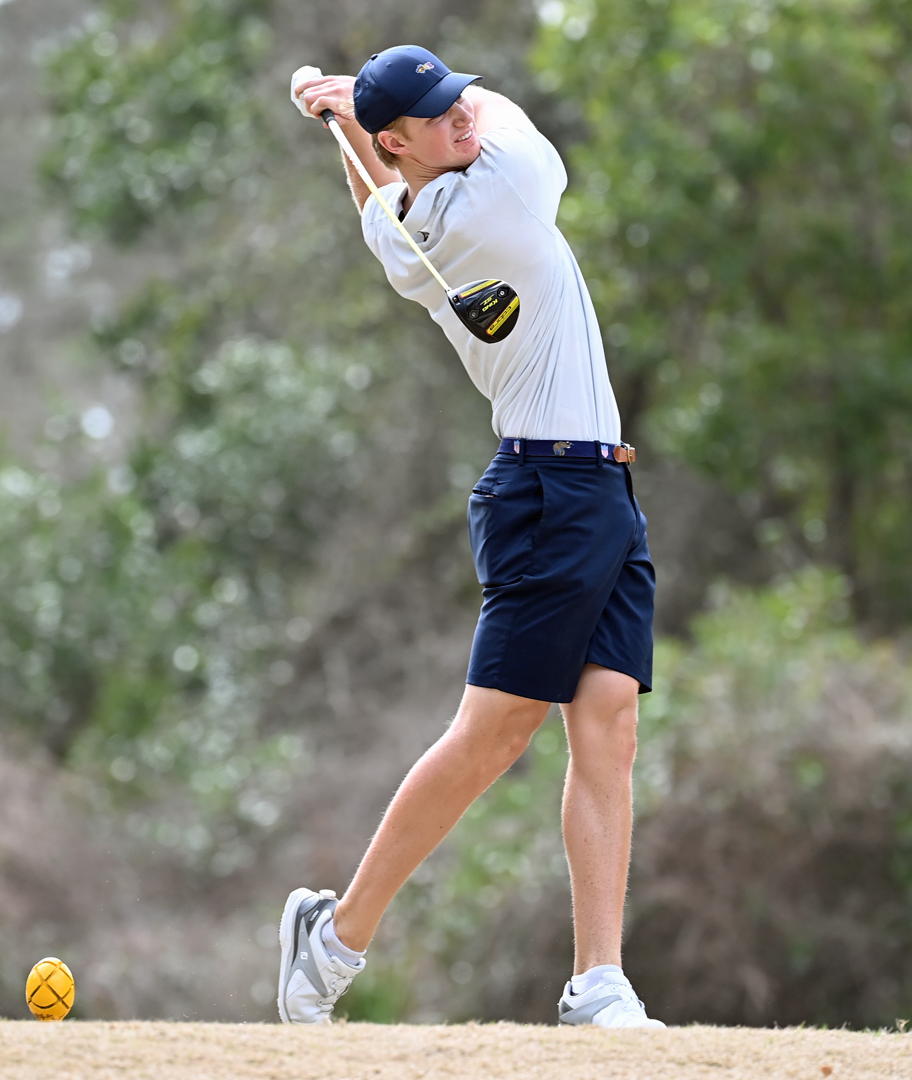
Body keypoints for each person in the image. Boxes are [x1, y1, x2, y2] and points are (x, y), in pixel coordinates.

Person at [281, 46, 661, 1029]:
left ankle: (599, 982)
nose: (462, 116)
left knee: (609, 720)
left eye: (458, 98)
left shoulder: (404, 231)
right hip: (548, 492)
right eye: (436, 113)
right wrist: (354, 108)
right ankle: (334, 942)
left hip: (597, 485)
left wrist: (345, 115)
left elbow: (374, 190)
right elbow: (498, 127)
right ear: (401, 140)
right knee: (491, 737)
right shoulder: (506, 191)